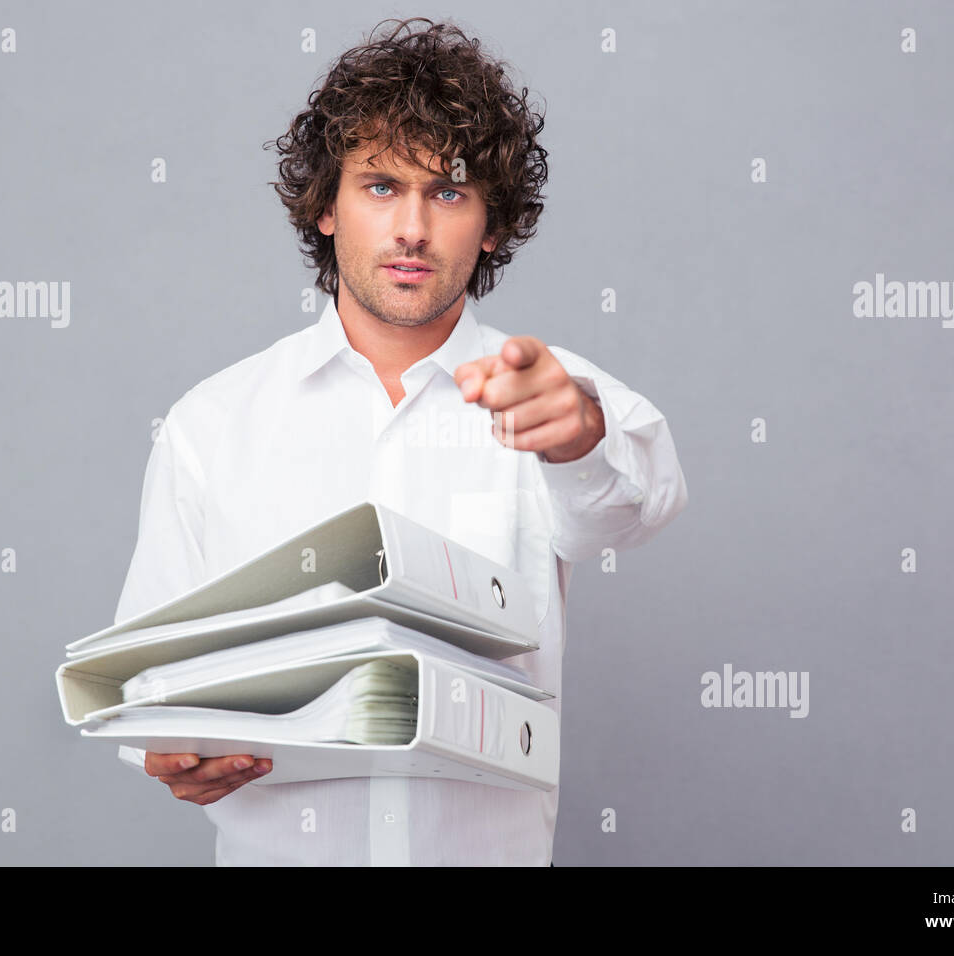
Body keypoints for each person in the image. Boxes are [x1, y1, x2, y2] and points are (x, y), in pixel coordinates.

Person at [112, 17, 689, 865]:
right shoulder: (210, 424)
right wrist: (165, 746)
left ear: (493, 224)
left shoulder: (545, 392)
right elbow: (148, 681)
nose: (412, 228)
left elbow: (635, 503)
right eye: (381, 186)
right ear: (325, 210)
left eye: (449, 192)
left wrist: (578, 434)